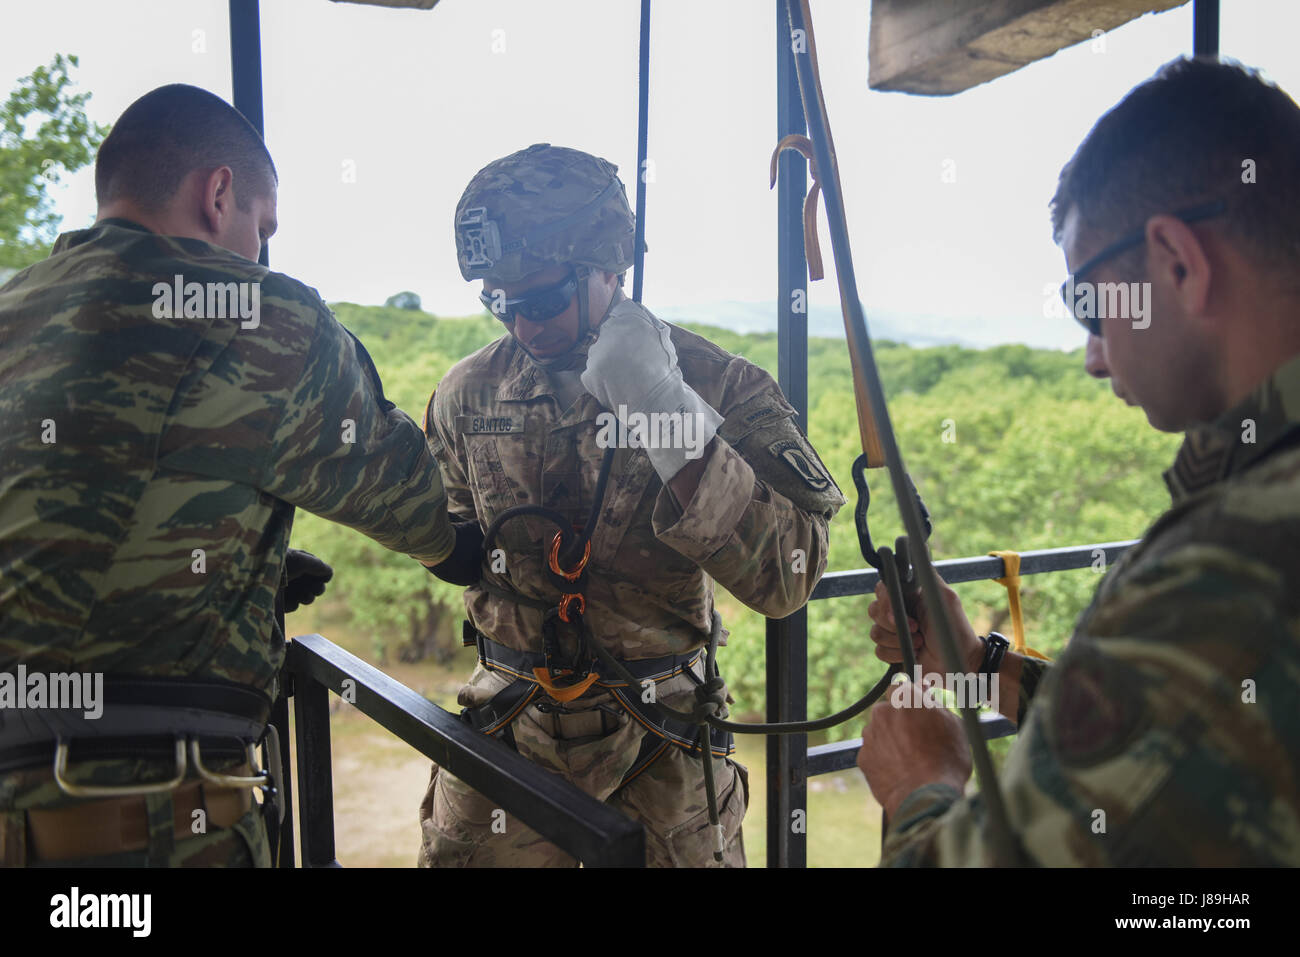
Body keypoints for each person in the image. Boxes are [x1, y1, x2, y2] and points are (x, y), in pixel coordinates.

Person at [857, 57, 1300, 866]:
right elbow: (1166, 729)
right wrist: (983, 665)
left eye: (1089, 303)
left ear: (1177, 262)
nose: (1094, 357)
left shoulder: (1234, 563)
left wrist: (923, 782)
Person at [0, 84, 454, 867]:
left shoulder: (15, 307)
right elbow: (418, 507)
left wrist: (220, 562)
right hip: (144, 827)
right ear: (218, 193)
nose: (260, 250)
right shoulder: (258, 313)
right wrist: (465, 552)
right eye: (262, 225)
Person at [419, 143, 845, 867]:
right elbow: (459, 540)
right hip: (507, 740)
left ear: (608, 268)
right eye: (502, 303)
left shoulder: (719, 385)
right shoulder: (468, 394)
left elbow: (788, 574)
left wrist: (662, 410)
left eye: (545, 300)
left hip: (664, 752)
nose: (524, 327)